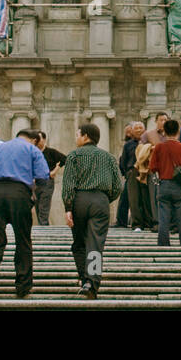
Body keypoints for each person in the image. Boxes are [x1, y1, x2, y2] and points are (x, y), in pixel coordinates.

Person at [0, 129, 49, 299]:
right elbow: (43, 175)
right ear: (33, 140)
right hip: (19, 193)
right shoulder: (32, 150)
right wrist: (34, 189)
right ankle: (23, 286)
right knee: (23, 240)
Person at [62, 123, 123, 298]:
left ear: (86, 136)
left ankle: (84, 279)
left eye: (77, 135)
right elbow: (118, 186)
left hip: (79, 200)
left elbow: (68, 184)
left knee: (79, 244)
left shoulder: (73, 155)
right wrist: (105, 199)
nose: (76, 138)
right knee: (95, 244)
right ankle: (92, 282)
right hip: (101, 201)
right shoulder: (109, 157)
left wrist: (68, 207)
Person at [150, 118, 181, 248]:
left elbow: (152, 167)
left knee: (164, 218)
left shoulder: (159, 148)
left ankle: (163, 245)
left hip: (164, 184)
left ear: (164, 131)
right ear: (178, 132)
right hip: (180, 186)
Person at [32, 131, 66, 226]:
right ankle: (42, 227)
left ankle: (43, 228)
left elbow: (64, 159)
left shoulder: (51, 152)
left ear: (44, 139)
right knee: (38, 206)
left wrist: (55, 171)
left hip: (47, 181)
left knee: (44, 206)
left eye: (39, 139)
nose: (37, 141)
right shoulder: (33, 152)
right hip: (35, 182)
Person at [115, 123, 137, 228]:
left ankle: (123, 221)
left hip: (133, 172)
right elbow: (122, 160)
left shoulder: (136, 143)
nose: (127, 134)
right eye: (126, 132)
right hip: (130, 174)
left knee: (127, 199)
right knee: (125, 198)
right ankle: (121, 221)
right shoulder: (128, 144)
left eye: (129, 131)